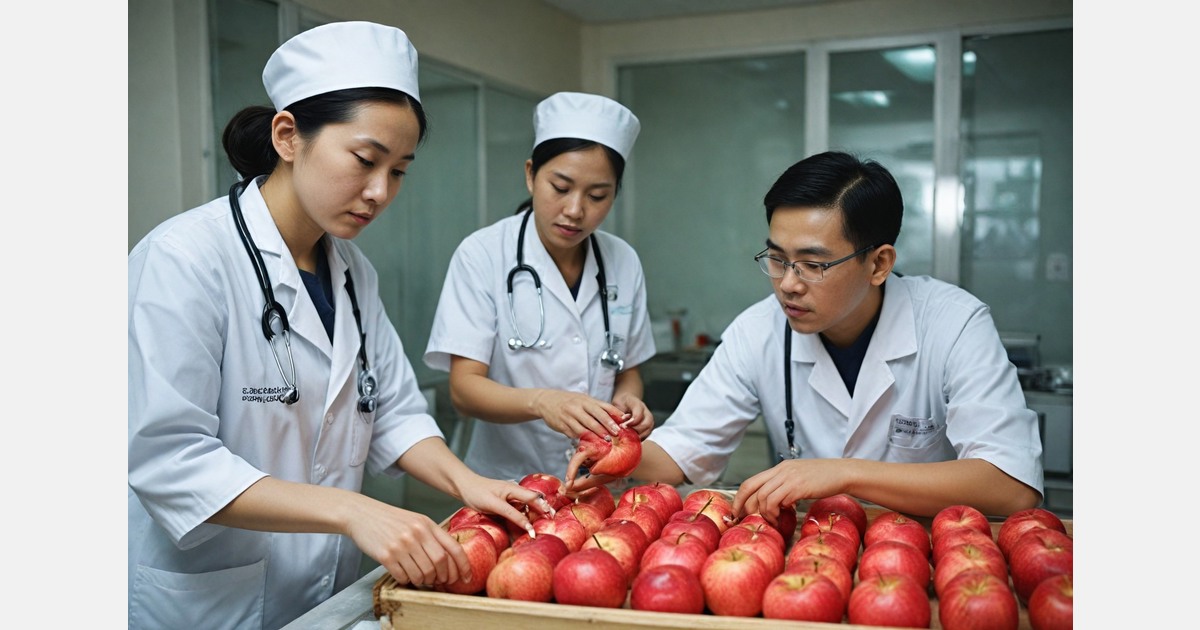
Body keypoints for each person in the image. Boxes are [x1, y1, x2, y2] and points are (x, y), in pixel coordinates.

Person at [127, 22, 551, 629]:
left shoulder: (352, 271)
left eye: (399, 170)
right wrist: (352, 511)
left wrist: (468, 482)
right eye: (364, 160)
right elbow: (170, 461)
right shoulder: (184, 259)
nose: (379, 192)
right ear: (287, 136)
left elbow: (397, 414)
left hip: (323, 594)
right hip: (209, 600)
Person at [570, 151, 1044, 522]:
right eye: (776, 258)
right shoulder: (759, 331)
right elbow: (683, 448)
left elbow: (1011, 484)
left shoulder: (953, 323)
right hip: (812, 554)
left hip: (927, 553)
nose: (788, 283)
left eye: (814, 265)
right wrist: (617, 456)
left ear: (878, 263)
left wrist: (842, 472)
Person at [423, 92, 656, 483]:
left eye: (598, 195)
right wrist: (543, 402)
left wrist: (628, 401)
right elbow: (464, 391)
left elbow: (628, 369)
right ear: (531, 174)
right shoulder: (483, 254)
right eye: (560, 187)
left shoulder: (623, 260)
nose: (575, 210)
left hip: (596, 477)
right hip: (507, 482)